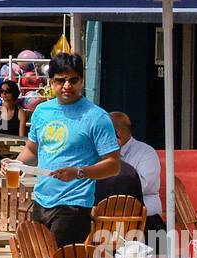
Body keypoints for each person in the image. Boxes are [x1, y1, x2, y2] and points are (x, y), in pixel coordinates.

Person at [8, 53, 120, 247]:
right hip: (42, 199)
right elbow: (32, 150)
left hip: (74, 204)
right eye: (60, 80)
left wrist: (79, 172)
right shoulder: (42, 112)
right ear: (51, 82)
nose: (67, 86)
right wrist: (17, 164)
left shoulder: (97, 117)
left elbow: (113, 165)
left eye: (73, 80)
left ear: (82, 81)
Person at [110, 112, 161, 219]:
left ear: (117, 133)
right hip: (106, 211)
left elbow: (142, 186)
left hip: (143, 216)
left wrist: (114, 156)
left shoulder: (146, 152)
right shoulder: (99, 151)